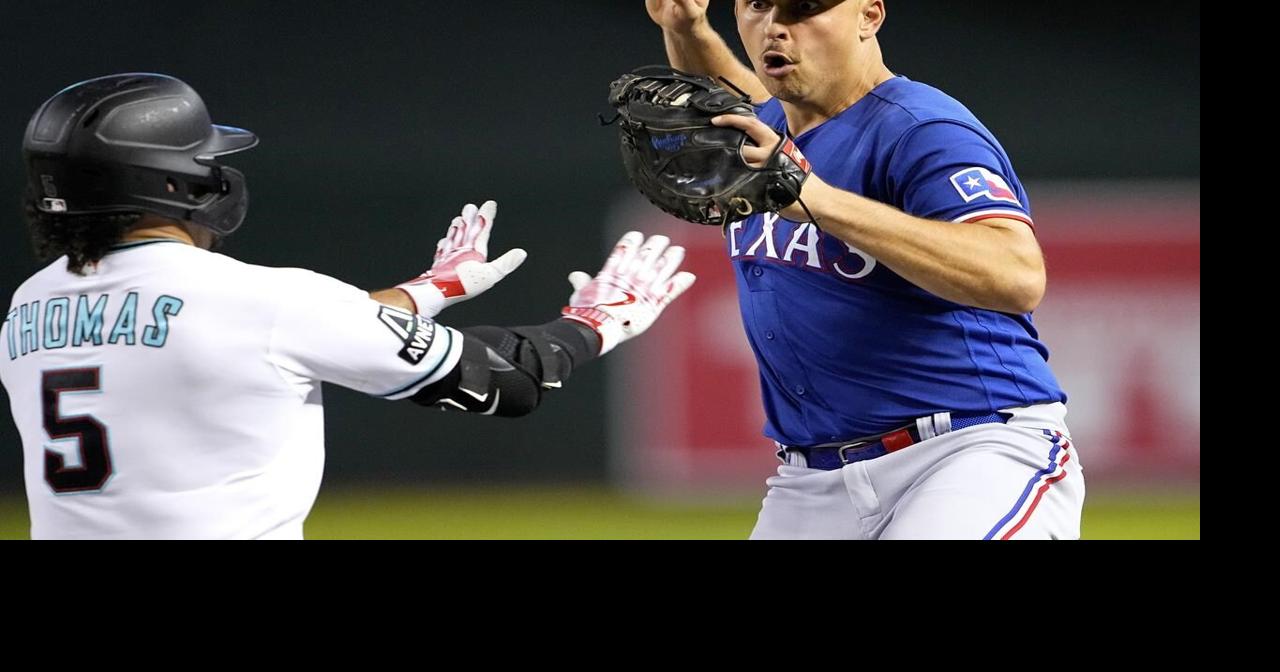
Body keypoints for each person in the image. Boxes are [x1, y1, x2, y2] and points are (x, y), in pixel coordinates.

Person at [0, 73, 694, 540]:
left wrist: (430, 291)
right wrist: (594, 323)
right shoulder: (259, 301)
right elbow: (503, 382)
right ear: (180, 186)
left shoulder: (29, 310)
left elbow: (228, 344)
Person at [645, 0, 1083, 539]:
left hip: (969, 451)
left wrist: (817, 199)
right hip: (810, 480)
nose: (776, 26)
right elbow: (734, 97)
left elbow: (1016, 277)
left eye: (805, 8)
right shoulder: (773, 128)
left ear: (869, 17)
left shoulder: (922, 129)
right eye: (758, 5)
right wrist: (686, 28)